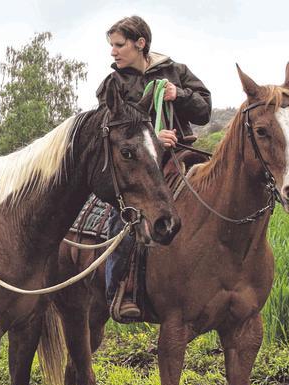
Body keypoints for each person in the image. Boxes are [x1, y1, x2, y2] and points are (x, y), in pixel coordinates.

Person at [98, 15, 211, 317]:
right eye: (112, 45)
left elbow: (205, 111)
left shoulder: (176, 71)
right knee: (125, 218)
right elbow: (108, 128)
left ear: (140, 43)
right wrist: (153, 138)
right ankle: (120, 290)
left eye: (119, 45)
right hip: (138, 165)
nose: (113, 52)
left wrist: (180, 94)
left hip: (182, 156)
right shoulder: (113, 84)